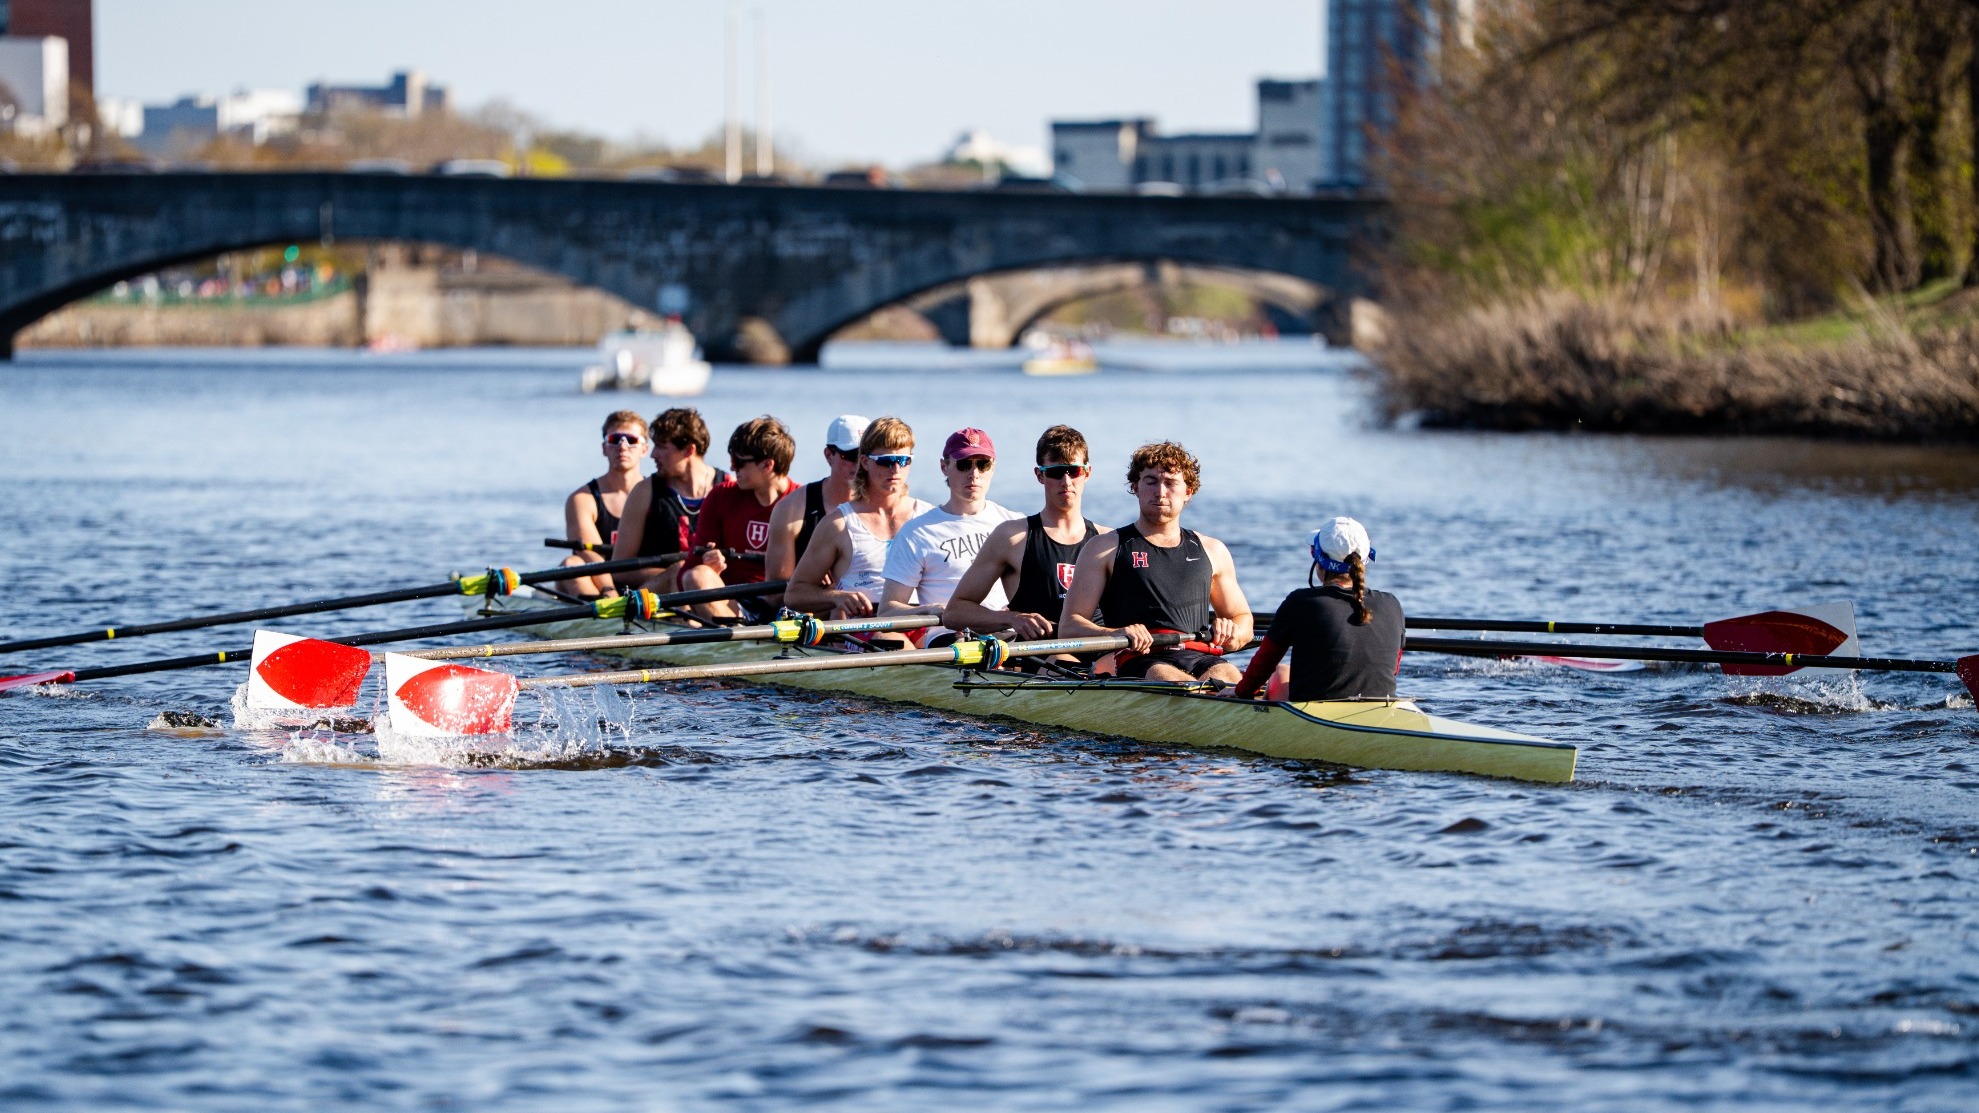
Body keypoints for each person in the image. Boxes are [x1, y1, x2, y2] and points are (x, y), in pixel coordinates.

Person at [1059, 441, 1253, 684]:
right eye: (1151, 481)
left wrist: (1234, 633)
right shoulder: (1104, 548)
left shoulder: (1213, 550)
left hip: (1199, 654)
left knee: (1229, 675)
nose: (1160, 492)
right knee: (1170, 680)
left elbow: (1243, 619)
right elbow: (1069, 627)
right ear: (1135, 487)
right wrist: (1117, 633)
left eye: (1171, 483)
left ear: (1188, 491)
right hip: (1135, 657)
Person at [943, 424, 1108, 640]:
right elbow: (954, 613)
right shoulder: (1012, 537)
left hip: (1100, 655)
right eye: (1056, 473)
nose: (1066, 482)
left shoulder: (1108, 540)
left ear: (1087, 473)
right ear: (1040, 475)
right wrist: (1012, 619)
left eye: (1074, 471)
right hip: (1045, 661)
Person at [1231, 517, 1404, 701]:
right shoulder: (1392, 604)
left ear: (1319, 562)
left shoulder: (1300, 602)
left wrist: (1239, 693)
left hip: (1315, 714)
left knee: (1280, 673)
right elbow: (1393, 669)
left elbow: (1264, 663)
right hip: (1380, 709)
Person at [785, 417, 932, 629]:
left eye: (903, 460)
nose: (895, 470)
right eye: (886, 461)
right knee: (891, 640)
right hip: (867, 628)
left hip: (923, 622)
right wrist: (836, 597)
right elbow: (794, 594)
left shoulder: (929, 517)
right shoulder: (838, 524)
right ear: (865, 462)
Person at [879, 427, 1025, 640]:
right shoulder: (917, 532)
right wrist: (928, 609)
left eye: (982, 464)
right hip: (951, 633)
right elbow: (887, 612)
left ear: (993, 468)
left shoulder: (1013, 523)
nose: (974, 474)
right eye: (964, 464)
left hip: (1008, 631)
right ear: (944, 467)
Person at [677, 416, 800, 622]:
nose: (732, 468)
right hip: (734, 603)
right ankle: (738, 640)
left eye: (739, 462)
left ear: (767, 465)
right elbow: (685, 576)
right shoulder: (721, 496)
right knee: (697, 576)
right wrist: (707, 564)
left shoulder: (802, 500)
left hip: (787, 602)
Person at [609, 407, 729, 591]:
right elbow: (619, 570)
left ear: (689, 450)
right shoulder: (644, 492)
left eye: (662, 447)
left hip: (712, 586)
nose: (653, 454)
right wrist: (678, 573)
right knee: (682, 571)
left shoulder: (728, 486)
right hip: (656, 594)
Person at [765, 414, 868, 584]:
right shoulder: (790, 510)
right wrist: (810, 579)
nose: (859, 464)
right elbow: (774, 595)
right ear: (829, 455)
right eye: (850, 456)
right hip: (811, 609)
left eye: (866, 456)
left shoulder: (888, 506)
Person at [557, 410, 650, 597]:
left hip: (636, 578)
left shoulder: (657, 494)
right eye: (615, 439)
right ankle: (603, 618)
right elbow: (589, 555)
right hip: (595, 581)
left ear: (644, 449)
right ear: (604, 448)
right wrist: (610, 591)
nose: (622, 447)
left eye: (631, 440)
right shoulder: (583, 499)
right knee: (571, 564)